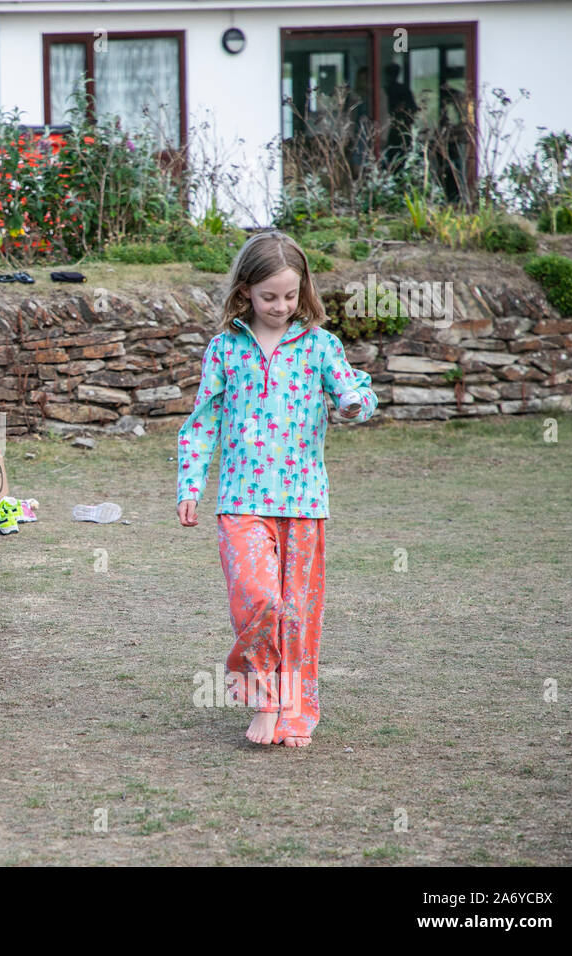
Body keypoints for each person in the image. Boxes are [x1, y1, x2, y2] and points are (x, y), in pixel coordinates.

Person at [175, 231, 377, 747]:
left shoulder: (321, 346)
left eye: (290, 295)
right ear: (245, 290)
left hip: (305, 502)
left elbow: (354, 390)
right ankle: (262, 697)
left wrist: (353, 403)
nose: (281, 306)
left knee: (296, 614)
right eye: (269, 296)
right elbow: (203, 422)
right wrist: (189, 485)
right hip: (240, 499)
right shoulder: (224, 349)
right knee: (259, 599)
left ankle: (293, 711)